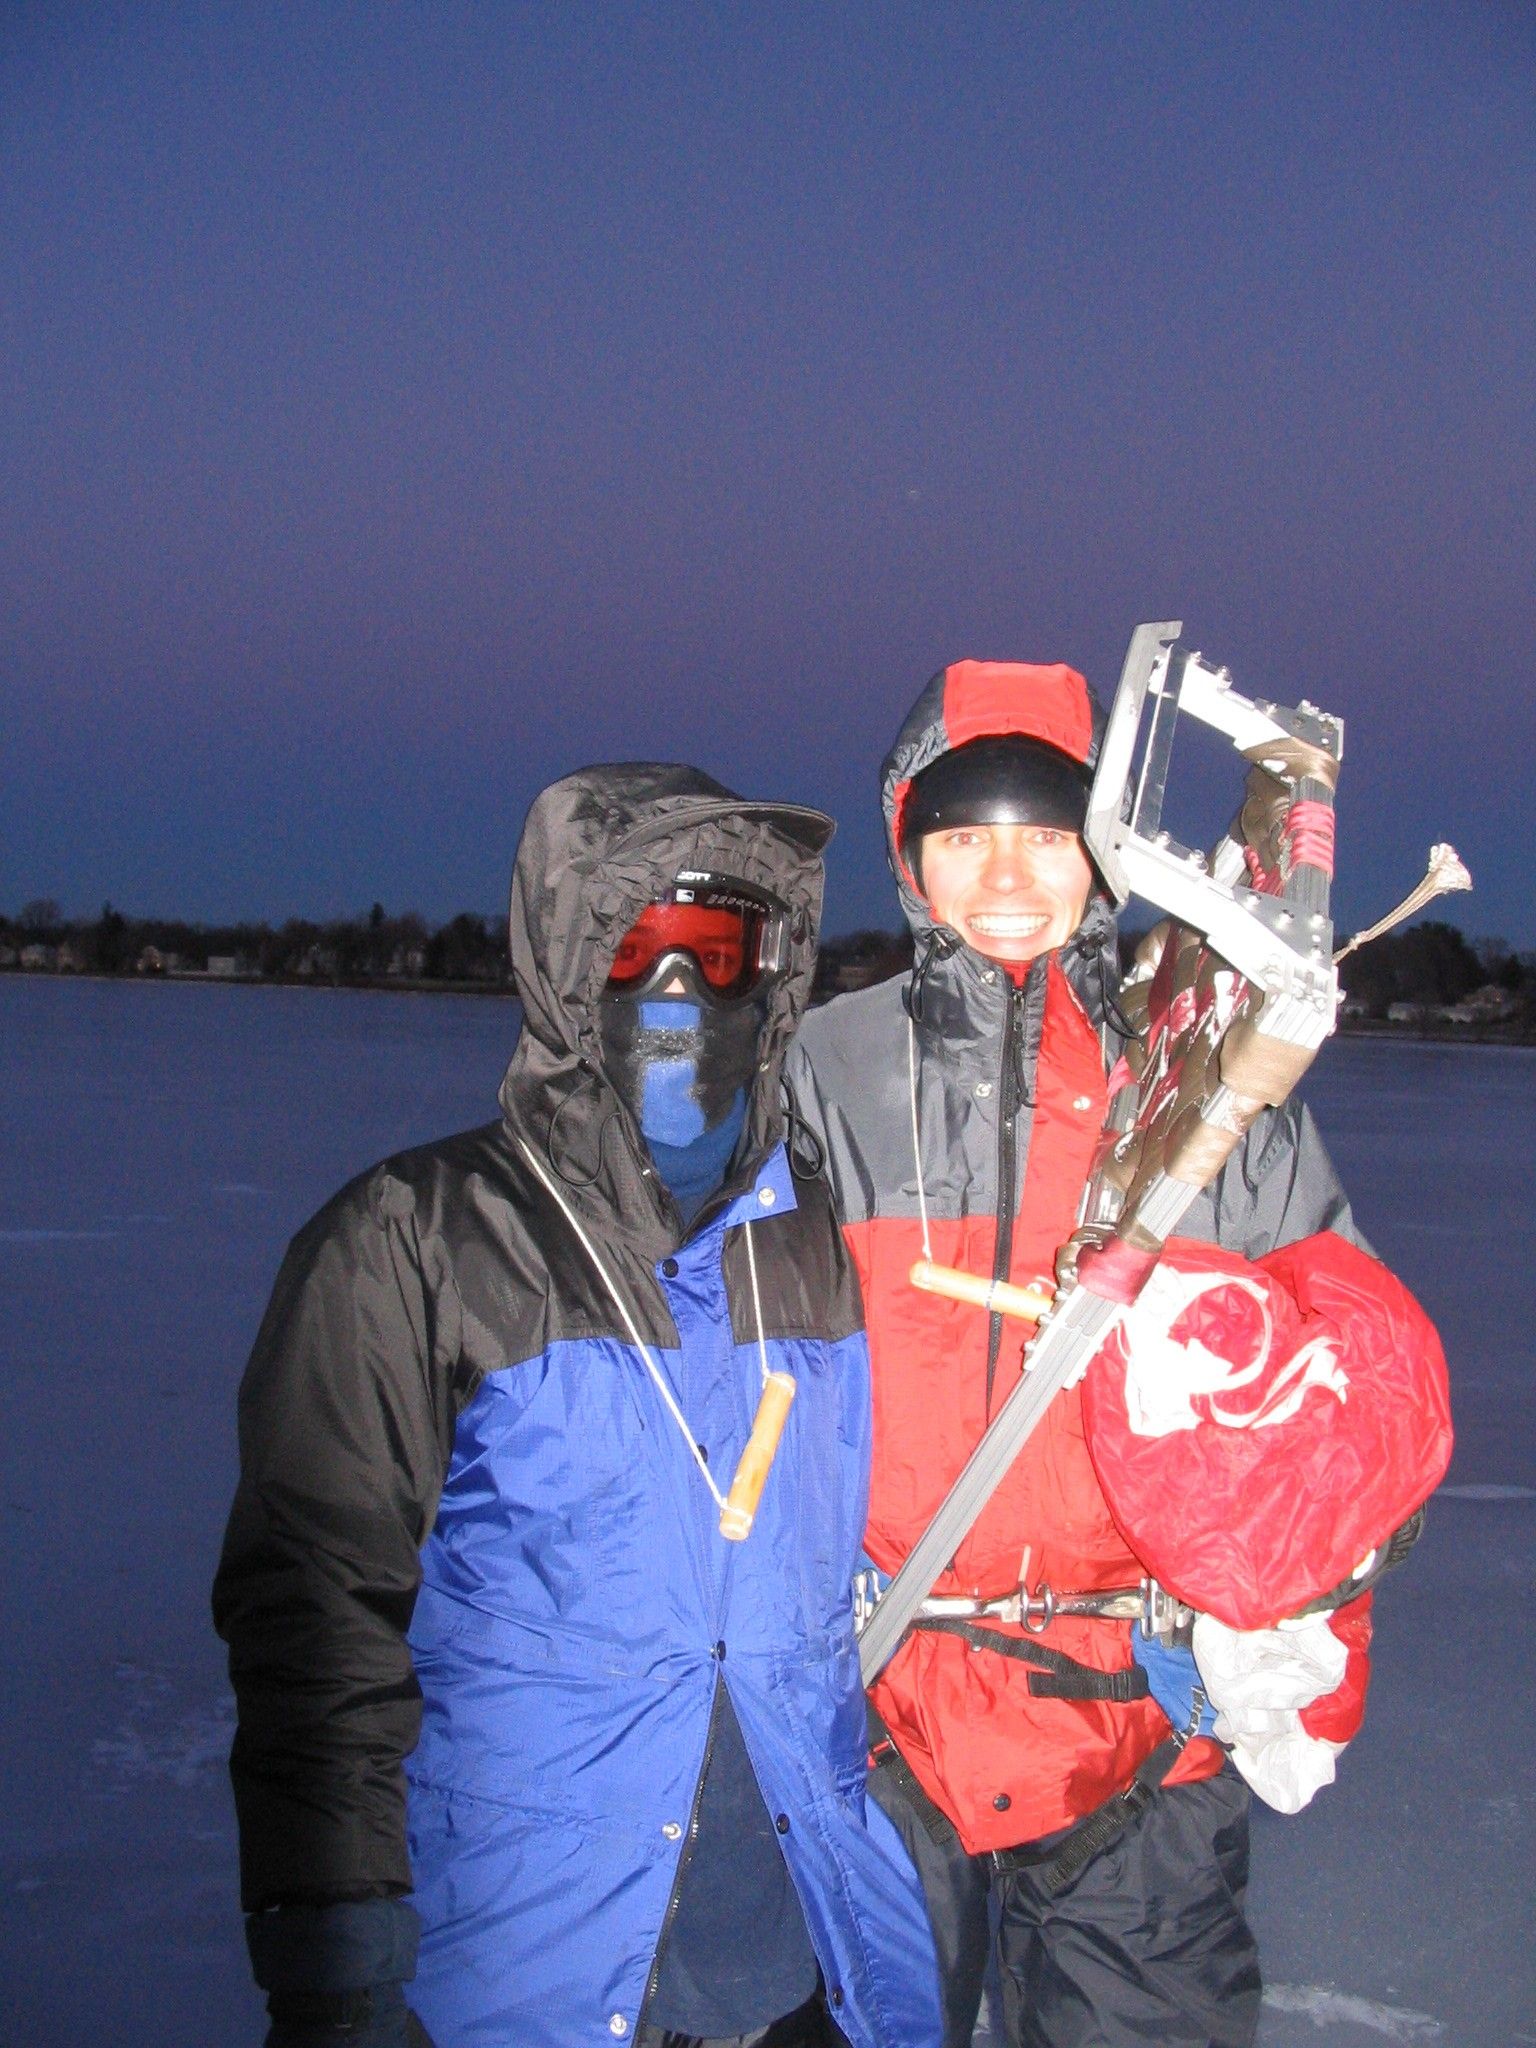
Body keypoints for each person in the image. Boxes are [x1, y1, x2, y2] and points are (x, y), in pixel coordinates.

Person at [213, 763, 943, 2048]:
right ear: (567, 966)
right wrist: (337, 1963)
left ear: (773, 976)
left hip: (796, 1960)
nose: (684, 995)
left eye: (722, 949)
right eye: (645, 946)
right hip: (514, 1964)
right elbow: (314, 1619)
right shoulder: (415, 1237)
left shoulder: (830, 1243)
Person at [787, 661, 1441, 2048]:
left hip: (1147, 1723)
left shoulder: (1201, 1078)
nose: (1008, 872)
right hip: (890, 1702)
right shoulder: (826, 1068)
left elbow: (1350, 1393)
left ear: (1105, 851)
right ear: (910, 849)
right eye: (965, 833)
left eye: (1047, 830)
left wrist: (1315, 1618)